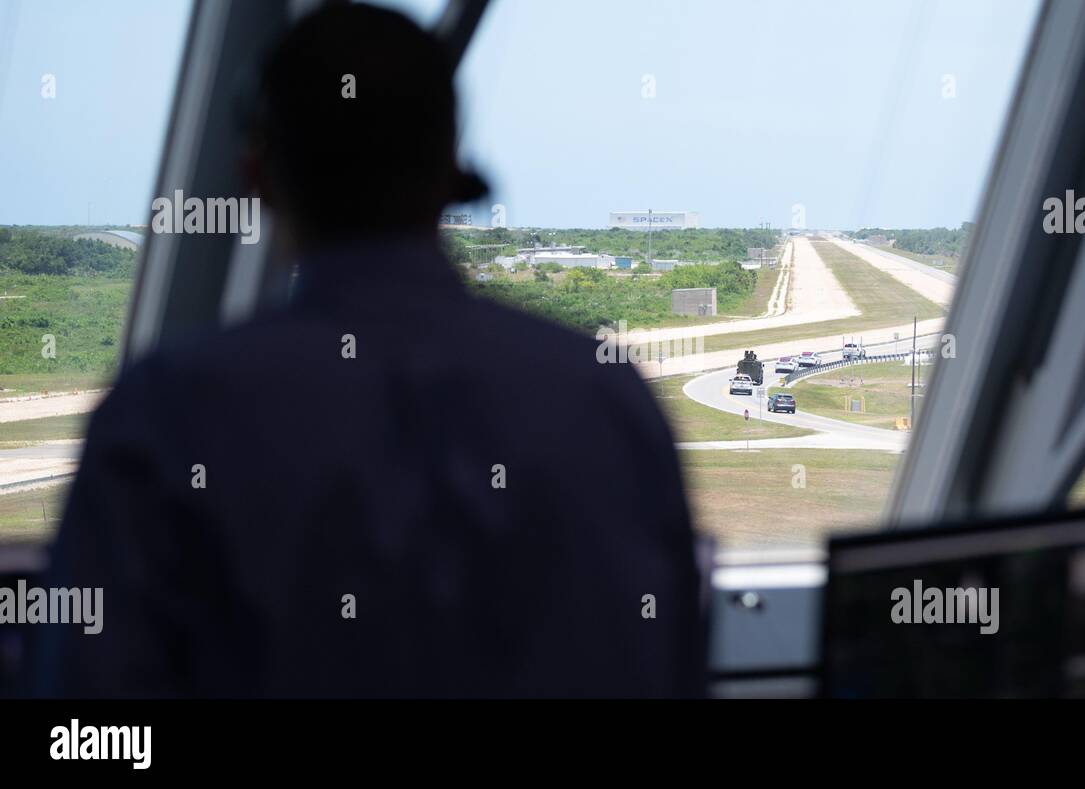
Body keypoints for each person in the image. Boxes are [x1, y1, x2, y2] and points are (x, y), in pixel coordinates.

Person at [31, 4, 705, 697]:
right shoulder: (607, 401)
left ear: (256, 174)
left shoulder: (164, 416)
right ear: (450, 169)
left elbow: (89, 729)